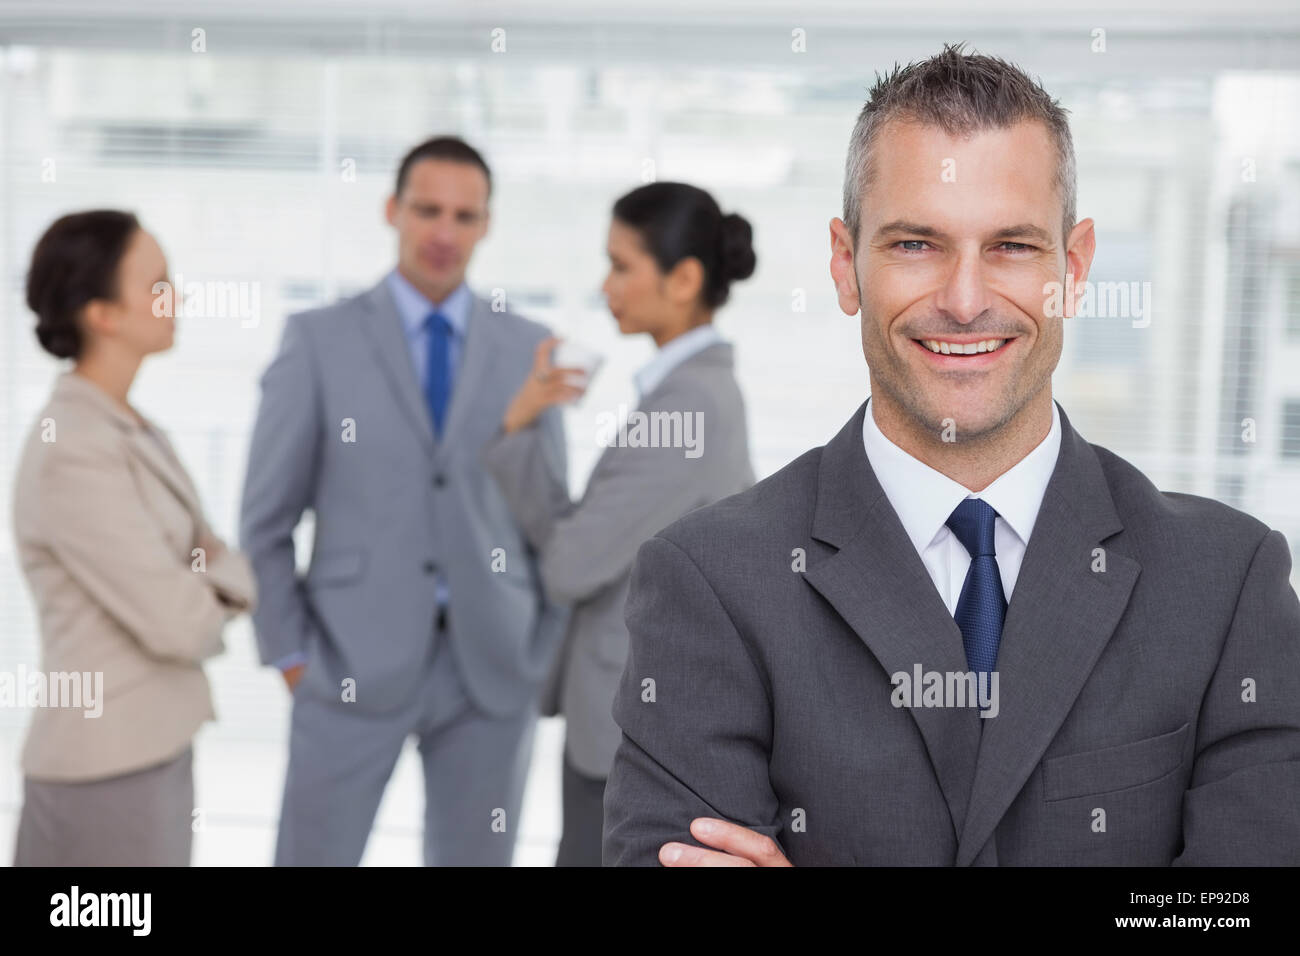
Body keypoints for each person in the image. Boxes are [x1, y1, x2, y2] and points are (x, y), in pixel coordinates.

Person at [602, 43, 1300, 866]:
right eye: (915, 245)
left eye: (1011, 246)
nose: (966, 302)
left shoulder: (1224, 581)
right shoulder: (710, 580)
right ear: (844, 263)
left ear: (1073, 271)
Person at [240, 135, 569, 866]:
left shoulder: (530, 348)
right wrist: (292, 656)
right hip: (347, 661)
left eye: (465, 214)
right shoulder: (318, 340)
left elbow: (550, 519)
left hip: (491, 668)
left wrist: (539, 653)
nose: (444, 232)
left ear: (487, 225)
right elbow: (264, 521)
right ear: (392, 210)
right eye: (427, 210)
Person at [483, 182, 757, 865]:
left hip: (628, 727)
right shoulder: (689, 392)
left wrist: (520, 429)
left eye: (622, 265)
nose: (607, 285)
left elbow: (570, 566)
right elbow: (586, 539)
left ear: (684, 279)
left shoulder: (687, 407)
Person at [11, 210, 256, 866]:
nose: (174, 297)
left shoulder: (132, 428)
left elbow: (211, 552)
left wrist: (204, 575)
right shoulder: (74, 451)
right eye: (156, 284)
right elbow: (178, 622)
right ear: (102, 314)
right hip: (103, 769)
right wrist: (211, 585)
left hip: (152, 749)